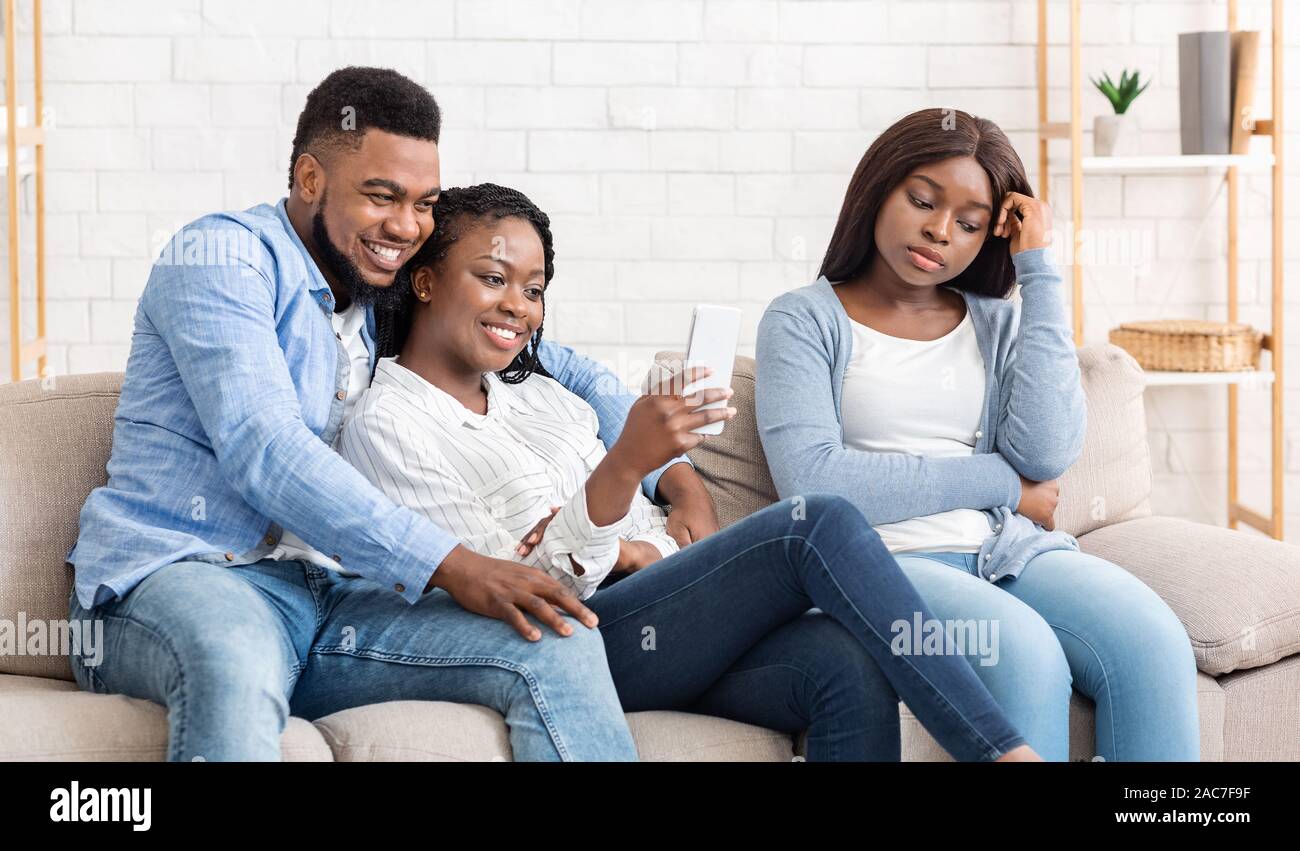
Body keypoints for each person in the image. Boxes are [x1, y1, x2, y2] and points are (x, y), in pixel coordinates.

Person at [63, 67, 718, 762]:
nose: (406, 226)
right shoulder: (226, 259)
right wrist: (451, 563)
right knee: (233, 656)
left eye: (423, 203)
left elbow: (556, 359)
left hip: (332, 598)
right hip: (183, 578)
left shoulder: (381, 283)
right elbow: (265, 447)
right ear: (310, 178)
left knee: (553, 633)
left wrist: (674, 476)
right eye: (382, 196)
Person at [346, 181, 1044, 762]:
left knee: (842, 661)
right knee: (817, 522)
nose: (518, 307)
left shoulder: (543, 395)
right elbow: (518, 597)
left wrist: (641, 543)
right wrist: (623, 475)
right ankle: (1002, 752)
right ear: (426, 278)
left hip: (659, 617)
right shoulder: (388, 424)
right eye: (493, 278)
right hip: (577, 646)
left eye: (532, 290)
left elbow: (654, 535)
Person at [755, 108, 1199, 761]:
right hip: (884, 563)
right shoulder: (802, 319)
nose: (939, 230)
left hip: (1010, 552)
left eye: (967, 223)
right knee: (1025, 653)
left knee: (1156, 640)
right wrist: (1004, 483)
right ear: (880, 186)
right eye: (923, 201)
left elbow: (1045, 455)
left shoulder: (996, 323)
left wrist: (1040, 271)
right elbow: (816, 484)